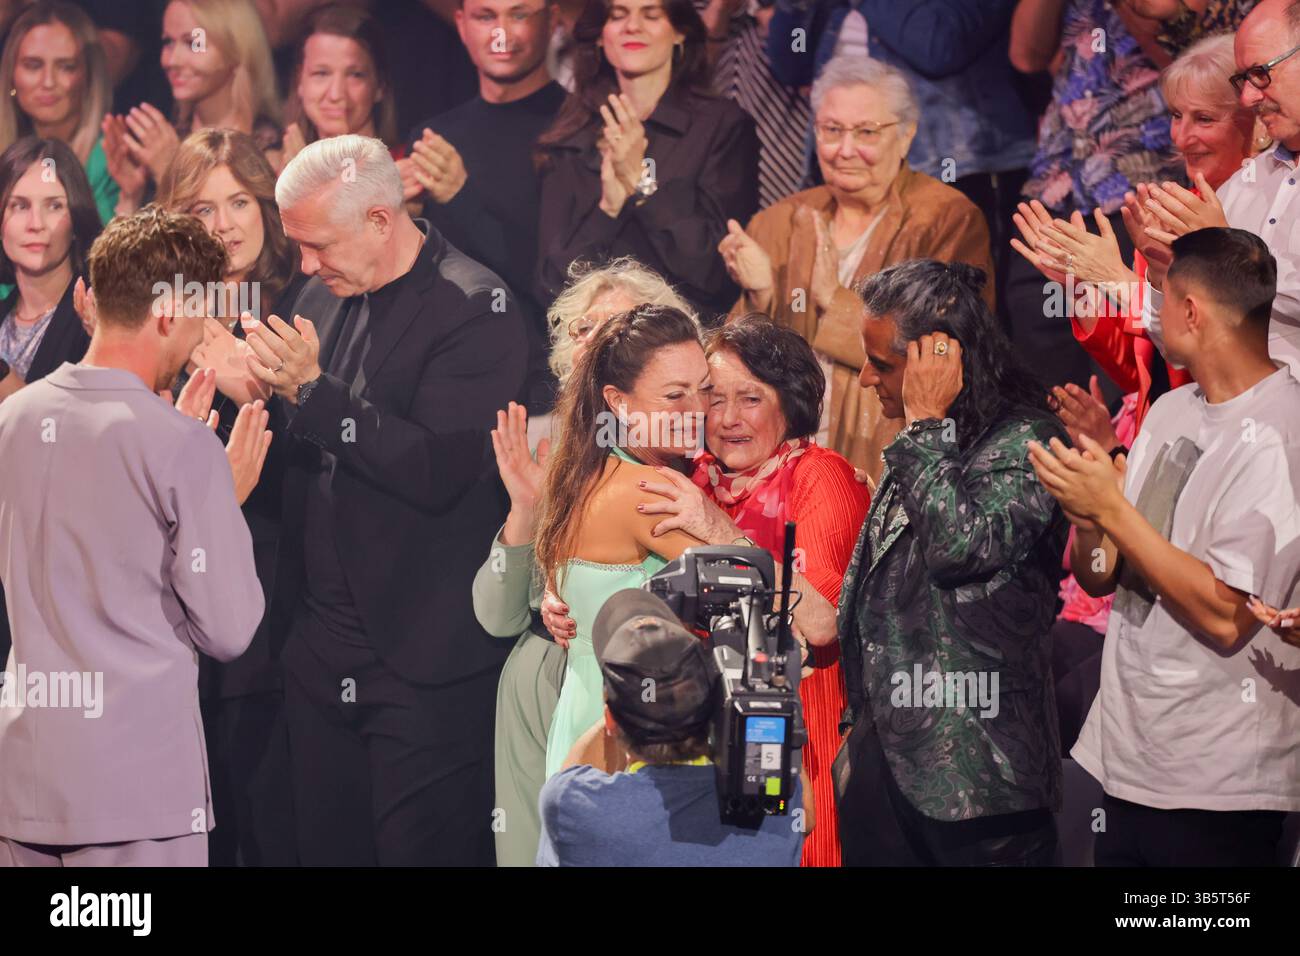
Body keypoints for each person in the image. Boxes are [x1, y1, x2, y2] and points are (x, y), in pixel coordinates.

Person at [251, 134, 527, 866]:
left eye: (319, 244)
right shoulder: (321, 290)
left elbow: (435, 469)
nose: (305, 265)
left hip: (418, 663)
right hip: (317, 650)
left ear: (381, 217)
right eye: (298, 246)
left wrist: (310, 392)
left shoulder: (478, 309)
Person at [0, 204, 271, 867]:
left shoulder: (12, 419)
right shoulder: (182, 446)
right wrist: (219, 501)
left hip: (25, 781)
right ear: (170, 314)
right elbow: (229, 629)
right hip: (138, 792)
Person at [1029, 228, 1300, 867]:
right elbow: (1100, 577)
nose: (1147, 304)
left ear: (1190, 312)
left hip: (1217, 778)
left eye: (1159, 290)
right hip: (1129, 755)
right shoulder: (1170, 410)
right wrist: (1090, 517)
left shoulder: (1281, 434)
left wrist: (1113, 509)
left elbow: (1226, 617)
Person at [836, 259, 1066, 867]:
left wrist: (928, 424)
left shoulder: (1030, 443)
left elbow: (960, 550)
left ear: (941, 358)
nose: (864, 378)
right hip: (884, 773)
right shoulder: (924, 445)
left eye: (882, 363)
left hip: (983, 785)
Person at [617, 315, 870, 866]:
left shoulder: (821, 475)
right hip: (699, 753)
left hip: (797, 749)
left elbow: (821, 623)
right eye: (713, 397)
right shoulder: (695, 475)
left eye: (750, 399)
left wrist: (720, 532)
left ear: (791, 403)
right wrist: (561, 599)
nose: (727, 418)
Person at [472, 257, 695, 867]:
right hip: (549, 679)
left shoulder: (688, 450)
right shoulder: (553, 447)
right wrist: (527, 519)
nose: (599, 342)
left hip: (629, 695)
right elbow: (494, 614)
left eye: (620, 329)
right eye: (585, 328)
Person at [719, 55, 993, 483]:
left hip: (884, 460)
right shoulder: (776, 221)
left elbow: (945, 354)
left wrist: (836, 302)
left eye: (866, 132)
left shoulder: (947, 219)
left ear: (906, 136)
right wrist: (760, 298)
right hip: (780, 471)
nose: (845, 150)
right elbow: (731, 371)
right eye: (832, 131)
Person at [155, 125, 304, 866]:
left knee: (272, 817)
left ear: (267, 208)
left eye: (239, 201)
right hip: (185, 615)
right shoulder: (163, 328)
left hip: (283, 607)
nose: (223, 225)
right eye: (203, 208)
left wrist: (268, 390)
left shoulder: (305, 305)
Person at [1012, 32, 1260, 431]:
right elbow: (1140, 371)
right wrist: (1080, 287)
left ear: (1256, 121)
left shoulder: (1263, 211)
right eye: (1177, 116)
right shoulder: (1162, 212)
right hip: (1166, 434)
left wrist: (1118, 280)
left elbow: (1214, 353)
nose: (1182, 137)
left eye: (1205, 119)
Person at [765, 0, 1036, 325]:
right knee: (841, 314)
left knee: (933, 323)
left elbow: (941, 46)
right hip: (845, 171)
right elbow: (789, 66)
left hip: (948, 168)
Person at [534, 303, 710, 778]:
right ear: (619, 401)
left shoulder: (586, 470)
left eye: (704, 389)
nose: (698, 410)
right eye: (675, 395)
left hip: (589, 711)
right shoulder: (643, 492)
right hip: (624, 736)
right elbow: (755, 583)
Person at [536, 588, 805, 866]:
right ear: (713, 705)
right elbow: (799, 797)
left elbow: (570, 775)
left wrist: (625, 701)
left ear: (611, 719)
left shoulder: (572, 806)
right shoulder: (775, 802)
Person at [535, 0, 759, 322]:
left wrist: (641, 184)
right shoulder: (569, 137)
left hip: (687, 341)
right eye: (618, 15)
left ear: (680, 32)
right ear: (600, 35)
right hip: (590, 348)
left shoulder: (723, 127)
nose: (633, 26)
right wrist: (607, 210)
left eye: (651, 14)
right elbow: (551, 287)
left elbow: (715, 274)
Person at [408, 0, 567, 415]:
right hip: (441, 388)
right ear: (461, 25)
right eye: (485, 16)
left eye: (519, 15)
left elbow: (559, 281)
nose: (501, 33)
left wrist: (461, 198)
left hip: (542, 391)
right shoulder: (434, 137)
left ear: (552, 21)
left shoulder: (577, 131)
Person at [1133, 0, 1300, 377]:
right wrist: (1162, 279)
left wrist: (1223, 253)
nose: (1249, 98)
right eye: (1244, 80)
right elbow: (1180, 352)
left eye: (1261, 73)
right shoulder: (1239, 187)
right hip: (1230, 422)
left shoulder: (1217, 215)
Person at [104, 0, 283, 214]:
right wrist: (132, 194)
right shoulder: (170, 138)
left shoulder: (268, 153)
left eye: (193, 43)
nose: (172, 60)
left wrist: (169, 172)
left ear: (235, 47)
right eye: (168, 42)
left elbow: (221, 240)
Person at [0, 2, 118, 224]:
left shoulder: (112, 160)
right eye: (33, 65)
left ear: (88, 75)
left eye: (66, 66)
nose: (48, 82)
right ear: (11, 75)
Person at [282, 4, 406, 167]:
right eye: (321, 73)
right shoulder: (280, 176)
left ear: (380, 86)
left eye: (355, 75)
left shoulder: (403, 169)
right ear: (299, 81)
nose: (336, 94)